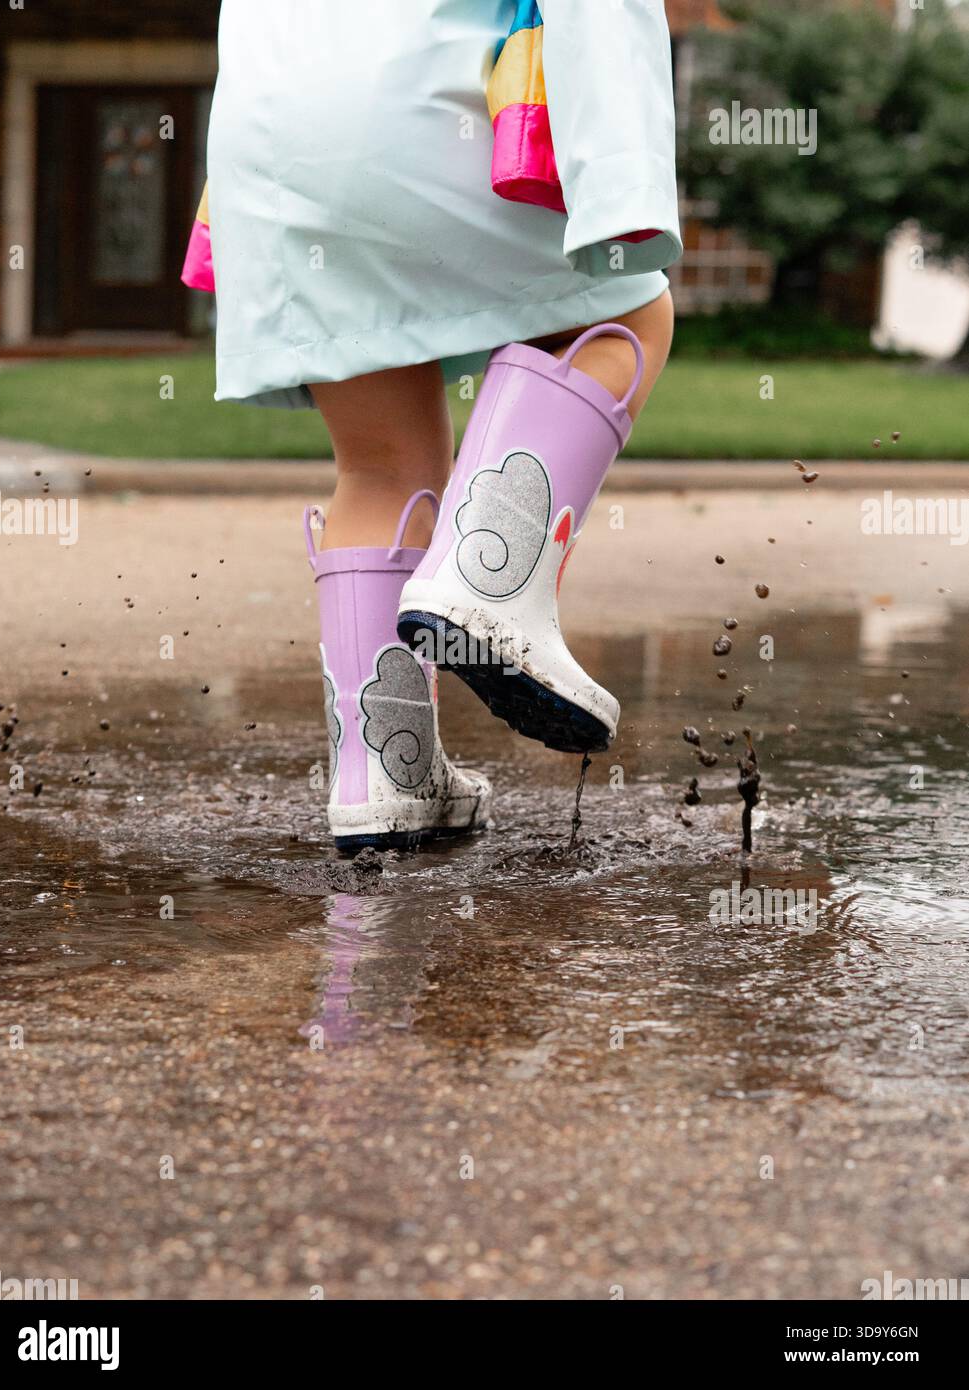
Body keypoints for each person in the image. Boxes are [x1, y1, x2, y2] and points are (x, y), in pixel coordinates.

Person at [200, 0, 682, 850]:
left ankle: (386, 774)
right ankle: (488, 585)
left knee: (378, 466)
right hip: (432, 111)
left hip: (276, 142)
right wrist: (622, 180)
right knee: (620, 318)